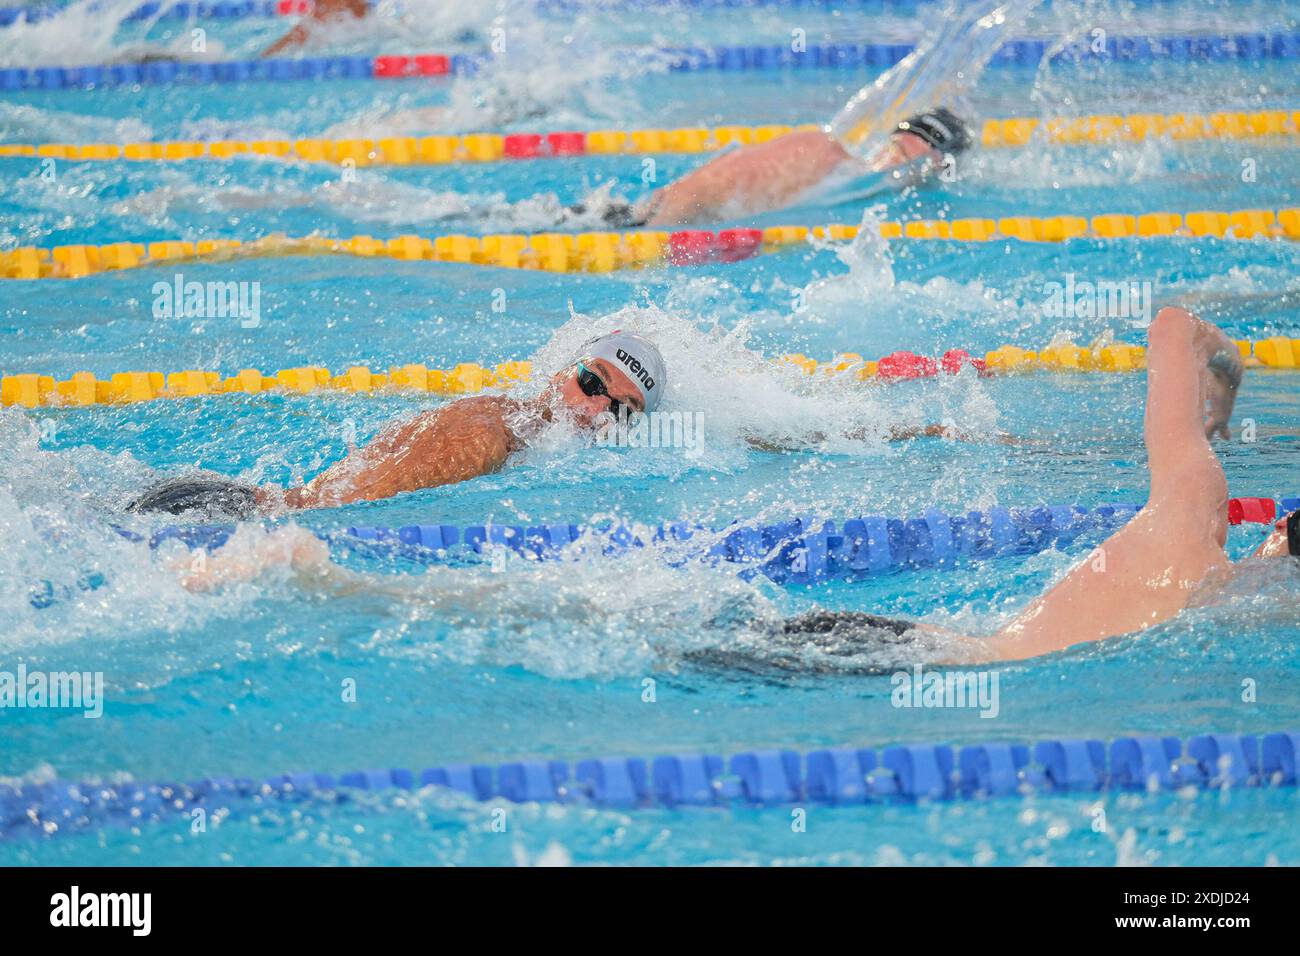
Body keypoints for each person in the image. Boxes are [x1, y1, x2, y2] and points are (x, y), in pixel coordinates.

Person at [170, 308, 1296, 671]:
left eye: (616, 396)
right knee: (615, 617)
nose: (592, 408)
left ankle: (317, 577)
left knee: (631, 619)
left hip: (909, 645)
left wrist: (1223, 401)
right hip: (895, 647)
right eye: (589, 381)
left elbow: (1186, 347)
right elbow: (1173, 334)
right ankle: (315, 579)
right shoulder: (1187, 545)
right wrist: (1210, 405)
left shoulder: (1215, 575)